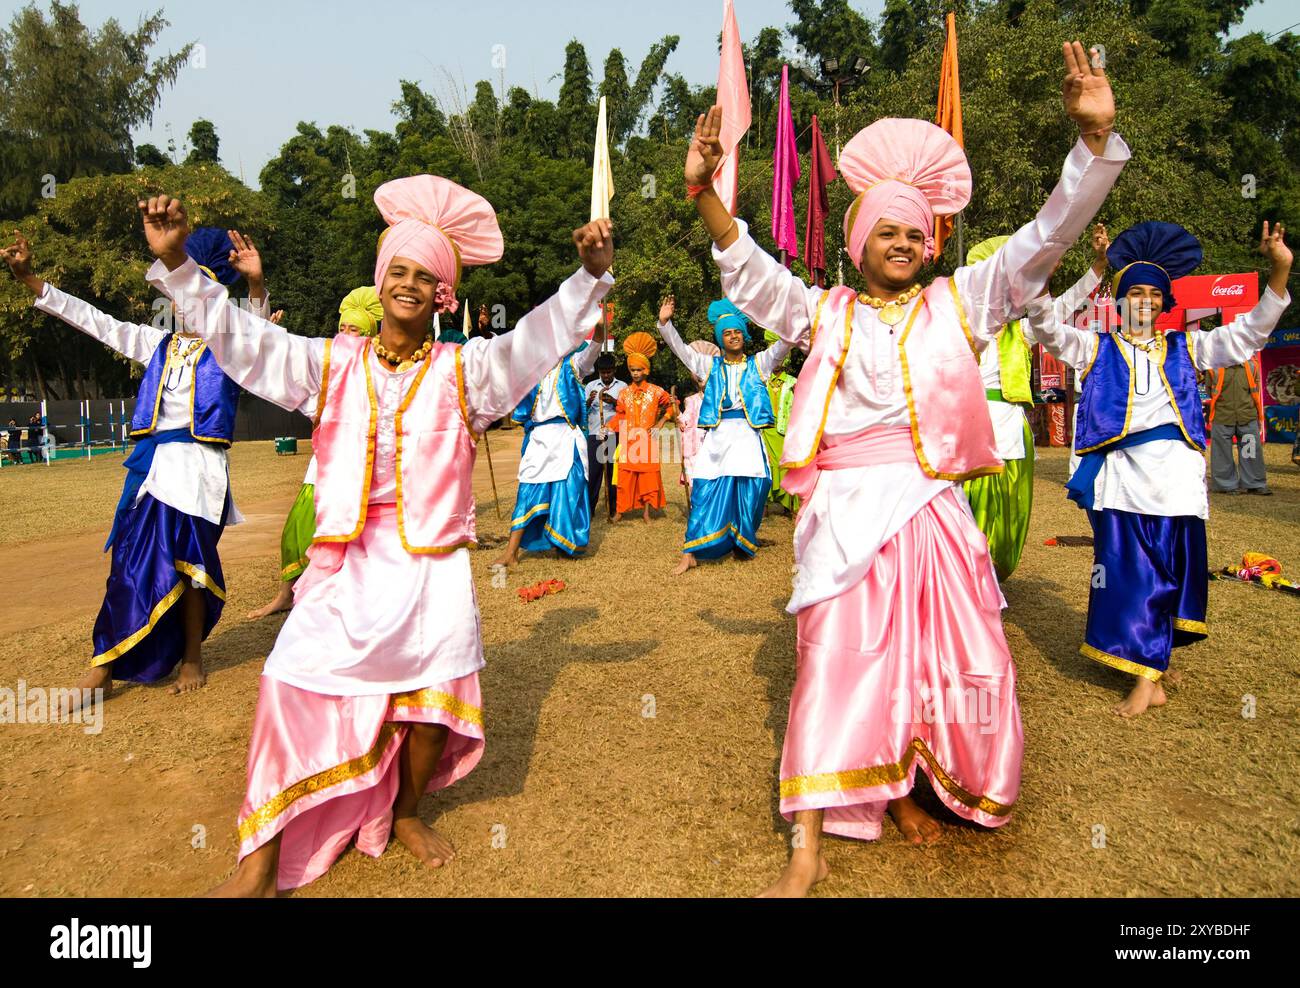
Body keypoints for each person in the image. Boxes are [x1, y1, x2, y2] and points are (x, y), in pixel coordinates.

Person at [686, 42, 1129, 896]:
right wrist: (704, 192)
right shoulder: (825, 311)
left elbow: (1044, 241)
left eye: (914, 232)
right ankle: (808, 838)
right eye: (884, 229)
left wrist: (1091, 147)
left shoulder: (959, 301)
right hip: (847, 518)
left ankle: (908, 787)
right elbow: (748, 268)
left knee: (955, 660)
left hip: (930, 511)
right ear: (857, 243)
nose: (901, 241)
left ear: (931, 246)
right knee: (834, 665)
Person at [137, 178, 614, 895]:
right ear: (380, 278)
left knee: (433, 702)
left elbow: (534, 339)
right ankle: (260, 860)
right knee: (283, 681)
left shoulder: (467, 371)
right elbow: (243, 338)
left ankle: (409, 810)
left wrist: (589, 278)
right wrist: (177, 264)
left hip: (431, 564)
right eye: (400, 271)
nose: (410, 285)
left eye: (426, 276)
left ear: (443, 295)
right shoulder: (329, 364)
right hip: (346, 562)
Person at [1025, 219, 1291, 717]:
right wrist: (1045, 279)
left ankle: (1148, 677)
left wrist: (1279, 272)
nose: (1144, 300)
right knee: (1126, 575)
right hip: (1120, 481)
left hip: (1175, 483)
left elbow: (1249, 332)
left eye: (1153, 293)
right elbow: (1046, 329)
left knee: (1164, 575)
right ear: (1121, 300)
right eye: (1134, 292)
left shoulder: (1188, 347)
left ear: (1164, 301)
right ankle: (1150, 672)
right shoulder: (1096, 347)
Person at [2, 226, 269, 696]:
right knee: (130, 559)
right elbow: (94, 321)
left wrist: (255, 287)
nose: (185, 303)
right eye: (179, 293)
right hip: (155, 469)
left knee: (191, 567)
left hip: (202, 473)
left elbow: (263, 340)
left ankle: (191, 657)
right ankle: (104, 663)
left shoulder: (230, 347)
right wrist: (31, 281)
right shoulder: (155, 343)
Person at [959, 226, 1106, 580]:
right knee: (967, 509)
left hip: (1010, 431)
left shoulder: (1019, 332)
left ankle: (992, 573)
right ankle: (964, 575)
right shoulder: (955, 329)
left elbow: (1063, 306)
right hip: (967, 433)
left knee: (1008, 514)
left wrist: (1098, 268)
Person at [246, 286, 385, 620]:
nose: (346, 335)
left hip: (361, 473)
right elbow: (275, 354)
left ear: (370, 335)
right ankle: (287, 595)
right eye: (342, 329)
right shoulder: (326, 364)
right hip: (322, 466)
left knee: (335, 538)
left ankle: (332, 601)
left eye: (355, 330)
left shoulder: (381, 370)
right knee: (295, 529)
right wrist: (260, 305)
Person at [655, 294, 790, 573]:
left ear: (744, 336)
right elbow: (681, 351)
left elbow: (782, 347)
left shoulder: (759, 364)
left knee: (755, 488)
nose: (733, 336)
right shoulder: (708, 365)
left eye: (737, 332)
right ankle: (691, 552)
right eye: (727, 333)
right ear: (720, 339)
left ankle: (742, 539)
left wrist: (789, 317)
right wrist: (665, 324)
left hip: (748, 436)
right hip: (718, 437)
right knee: (704, 490)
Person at [494, 320, 608, 566]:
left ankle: (562, 545)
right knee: (526, 491)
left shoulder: (573, 366)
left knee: (566, 492)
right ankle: (511, 552)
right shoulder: (530, 376)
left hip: (565, 438)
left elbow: (594, 347)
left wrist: (598, 327)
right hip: (538, 439)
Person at [608, 332, 673, 523]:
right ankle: (620, 511)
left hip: (648, 440)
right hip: (628, 441)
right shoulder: (624, 393)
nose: (635, 373)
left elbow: (671, 405)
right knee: (625, 476)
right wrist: (608, 427)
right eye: (632, 370)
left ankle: (646, 512)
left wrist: (660, 423)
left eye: (638, 369)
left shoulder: (656, 391)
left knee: (647, 478)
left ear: (646, 370)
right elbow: (620, 415)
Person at [1207, 354, 1270, 495]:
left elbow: (1255, 388)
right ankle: (1226, 485)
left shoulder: (1252, 366)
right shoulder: (1214, 368)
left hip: (1247, 416)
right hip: (1222, 416)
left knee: (1251, 451)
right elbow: (1209, 390)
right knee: (1222, 454)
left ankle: (1254, 483)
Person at [584, 352, 625, 520]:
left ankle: (613, 508)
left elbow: (627, 409)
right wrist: (588, 401)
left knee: (611, 472)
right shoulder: (590, 386)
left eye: (609, 372)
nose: (606, 375)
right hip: (595, 434)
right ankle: (589, 509)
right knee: (593, 473)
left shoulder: (622, 386)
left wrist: (614, 402)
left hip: (614, 434)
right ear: (599, 371)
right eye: (603, 372)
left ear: (614, 370)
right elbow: (582, 411)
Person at [761, 338, 799, 515]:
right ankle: (765, 504)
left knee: (785, 465)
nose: (777, 362)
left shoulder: (793, 382)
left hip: (786, 430)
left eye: (781, 358)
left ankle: (787, 504)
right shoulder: (763, 381)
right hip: (766, 429)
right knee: (766, 465)